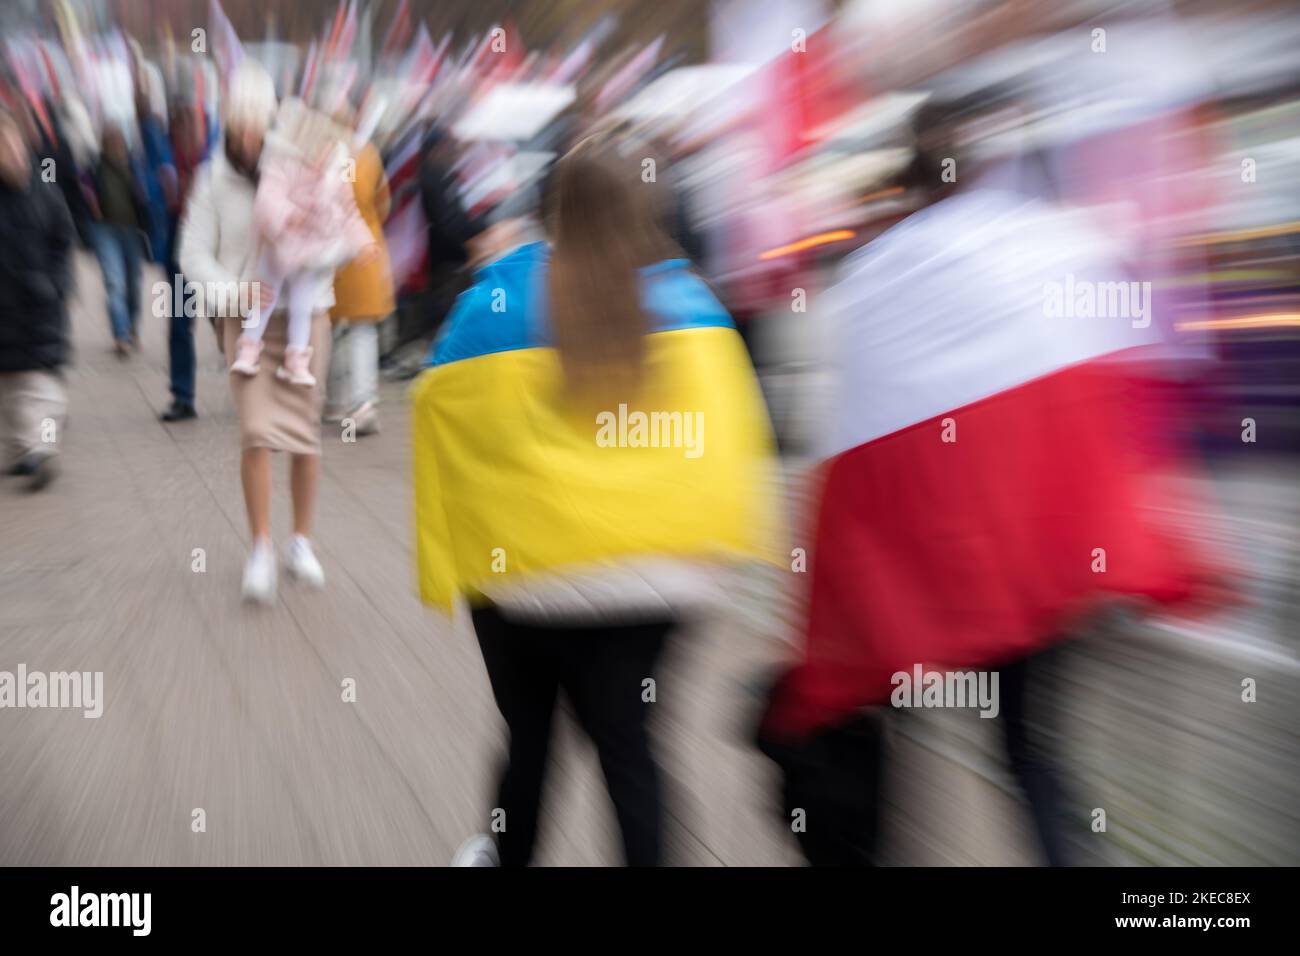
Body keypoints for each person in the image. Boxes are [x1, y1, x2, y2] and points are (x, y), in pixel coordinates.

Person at [756, 97, 1220, 866]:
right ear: (979, 166)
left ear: (909, 180)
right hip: (1045, 564)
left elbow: (851, 448)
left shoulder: (875, 278)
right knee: (1030, 747)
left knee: (896, 729)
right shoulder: (1050, 245)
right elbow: (1119, 393)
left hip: (925, 575)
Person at [411, 134, 776, 866]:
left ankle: (505, 855)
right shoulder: (698, 308)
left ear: (550, 209)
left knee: (531, 735)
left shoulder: (496, 300)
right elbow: (738, 439)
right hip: (657, 580)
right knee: (630, 744)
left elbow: (435, 407)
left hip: (524, 576)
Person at [178, 61, 333, 604]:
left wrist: (311, 257)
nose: (248, 134)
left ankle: (301, 542)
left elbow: (332, 229)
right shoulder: (211, 177)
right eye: (240, 123)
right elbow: (192, 252)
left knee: (305, 433)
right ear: (228, 119)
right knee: (257, 433)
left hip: (302, 320)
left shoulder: (295, 164)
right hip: (245, 324)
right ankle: (261, 547)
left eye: (257, 122)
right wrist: (231, 291)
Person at [229, 97, 373, 388]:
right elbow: (267, 199)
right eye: (320, 146)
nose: (323, 154)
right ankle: (248, 347)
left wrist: (362, 242)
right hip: (279, 243)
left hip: (310, 252)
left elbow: (347, 211)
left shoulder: (336, 175)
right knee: (265, 295)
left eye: (329, 147)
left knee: (302, 304)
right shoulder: (283, 162)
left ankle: (296, 358)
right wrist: (288, 216)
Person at [0, 108, 75, 492]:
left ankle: (41, 450)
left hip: (40, 308)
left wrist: (58, 284)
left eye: (11, 144)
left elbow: (63, 238)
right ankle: (20, 452)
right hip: (5, 315)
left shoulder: (44, 189)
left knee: (39, 386)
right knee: (11, 393)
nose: (9, 154)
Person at [327, 115, 394, 435]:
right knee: (362, 330)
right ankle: (362, 401)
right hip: (365, 252)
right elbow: (383, 203)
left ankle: (333, 401)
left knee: (325, 329)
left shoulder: (319, 154)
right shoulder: (367, 154)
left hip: (326, 255)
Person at [91, 123, 147, 357]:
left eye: (118, 140)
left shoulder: (135, 165)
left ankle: (132, 326)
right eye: (110, 140)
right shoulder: (94, 167)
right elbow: (59, 171)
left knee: (134, 285)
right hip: (106, 230)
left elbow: (146, 197)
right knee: (115, 282)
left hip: (131, 231)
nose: (115, 145)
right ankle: (121, 335)